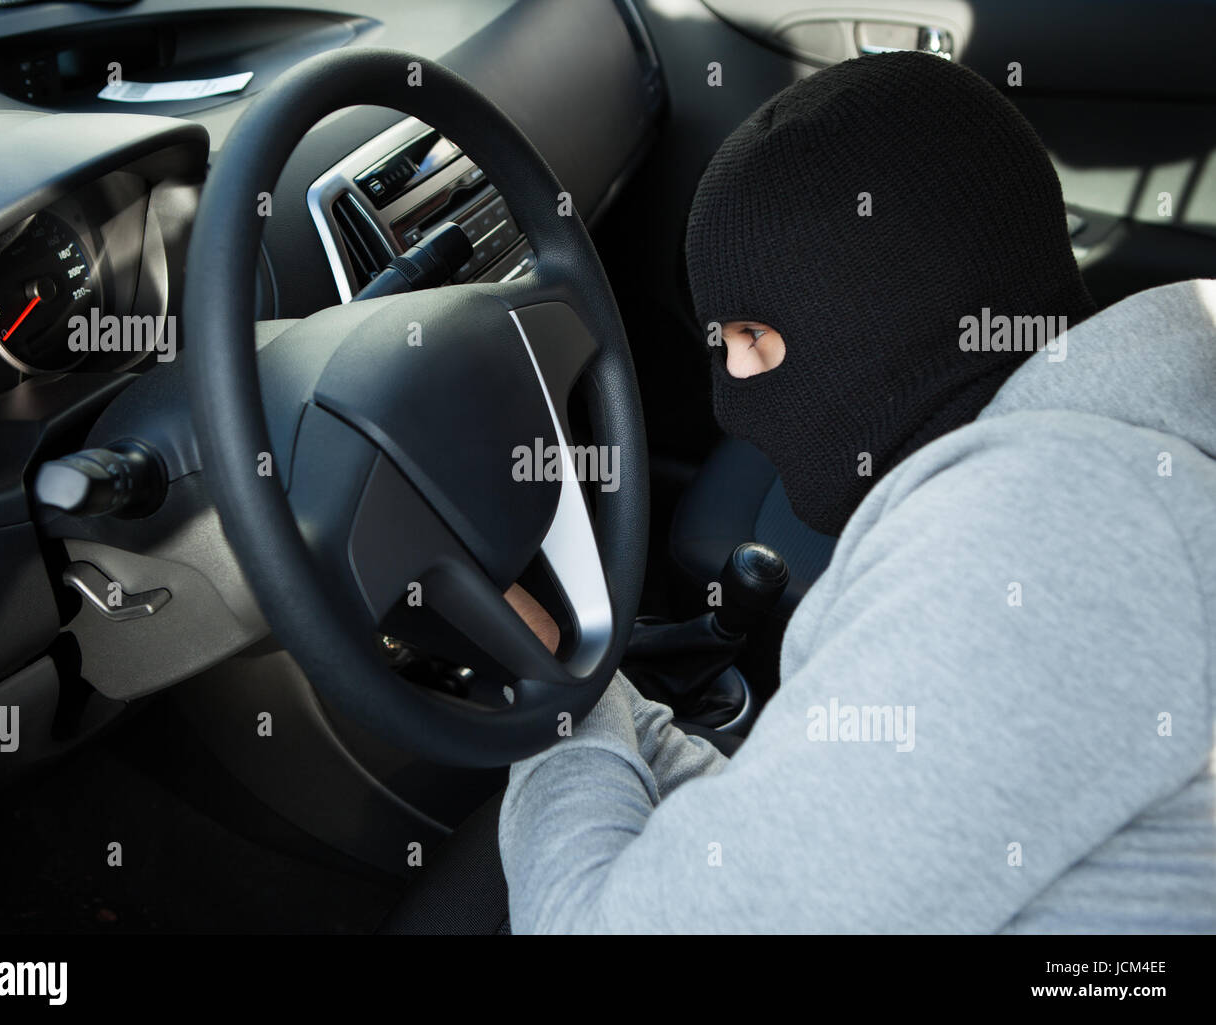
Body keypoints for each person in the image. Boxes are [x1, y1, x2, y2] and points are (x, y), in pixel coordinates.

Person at [496, 50, 1216, 933]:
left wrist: (545, 702)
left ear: (879, 307)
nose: (731, 390)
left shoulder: (1028, 552)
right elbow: (805, 852)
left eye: (752, 333)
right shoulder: (1124, 452)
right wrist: (600, 693)